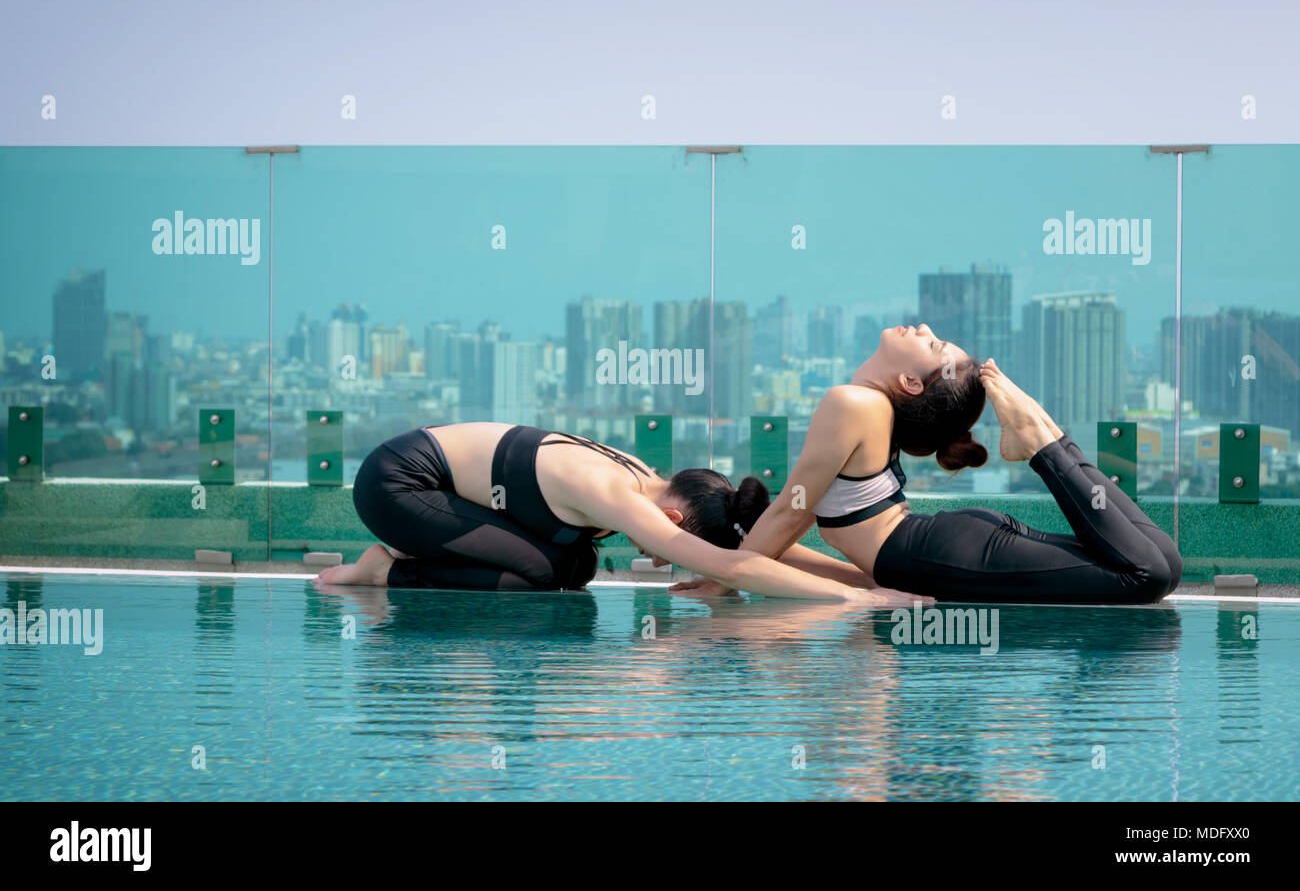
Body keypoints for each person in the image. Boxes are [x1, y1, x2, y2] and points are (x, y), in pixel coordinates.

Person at [671, 324, 1182, 604]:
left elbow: (788, 512)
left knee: (1146, 571)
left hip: (937, 552)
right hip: (942, 545)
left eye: (932, 344)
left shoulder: (853, 403)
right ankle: (1046, 437)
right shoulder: (872, 410)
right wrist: (748, 565)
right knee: (1160, 561)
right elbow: (795, 515)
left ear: (912, 384)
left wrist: (726, 576)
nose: (923, 328)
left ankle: (1041, 442)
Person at [315, 421, 929, 603]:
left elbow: (749, 547)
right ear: (679, 523)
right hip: (397, 483)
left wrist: (871, 573)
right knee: (549, 573)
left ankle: (399, 564)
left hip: (437, 489)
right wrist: (867, 602)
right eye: (670, 547)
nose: (655, 555)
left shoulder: (652, 484)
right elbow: (737, 566)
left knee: (572, 564)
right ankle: (383, 572)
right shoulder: (618, 496)